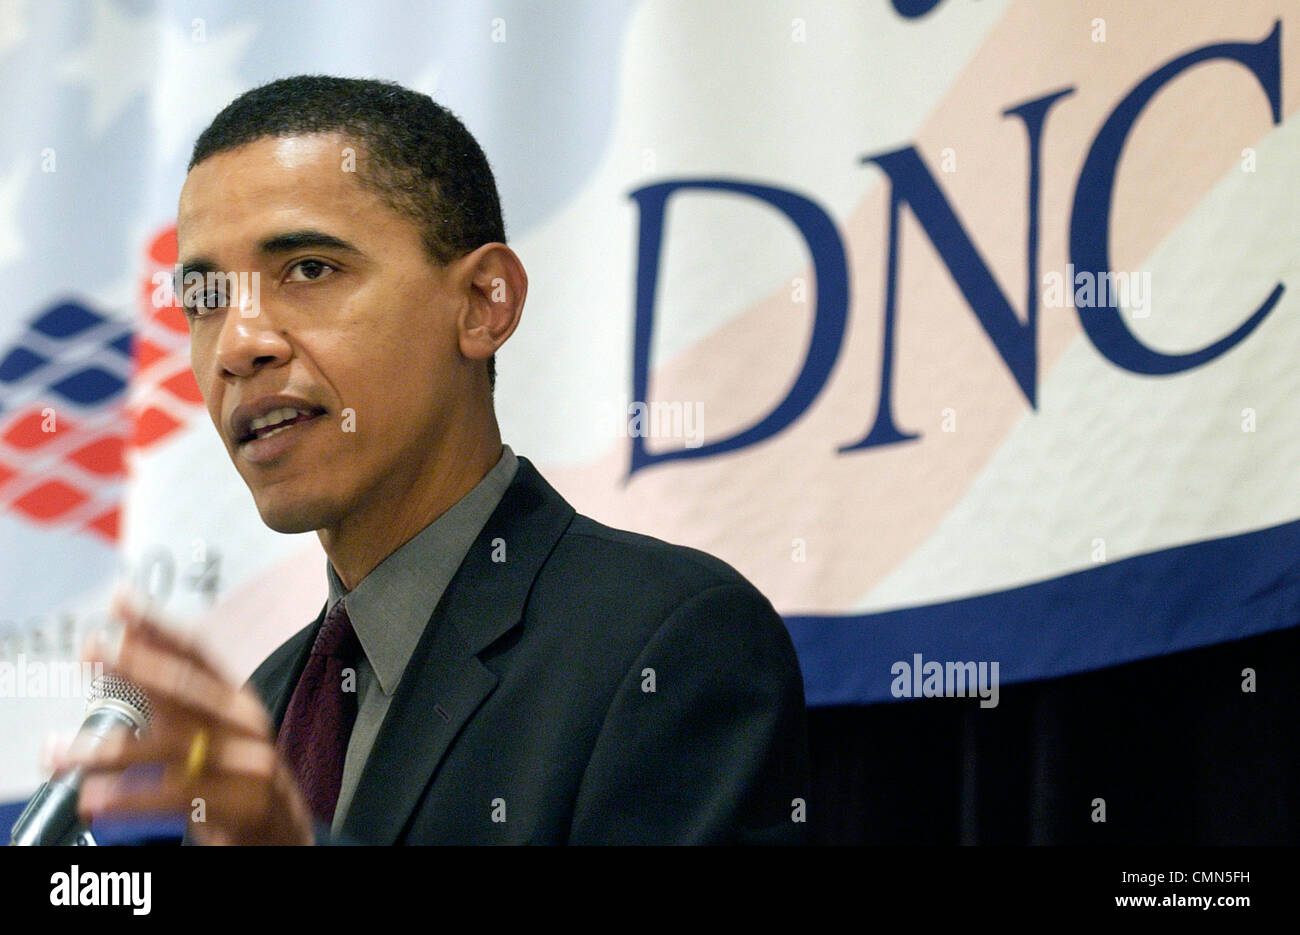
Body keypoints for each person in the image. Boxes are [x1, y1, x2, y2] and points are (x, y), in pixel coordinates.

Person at [57, 75, 809, 844]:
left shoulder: (664, 643)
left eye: (310, 269)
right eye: (206, 299)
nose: (239, 344)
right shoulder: (271, 706)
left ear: (486, 301)